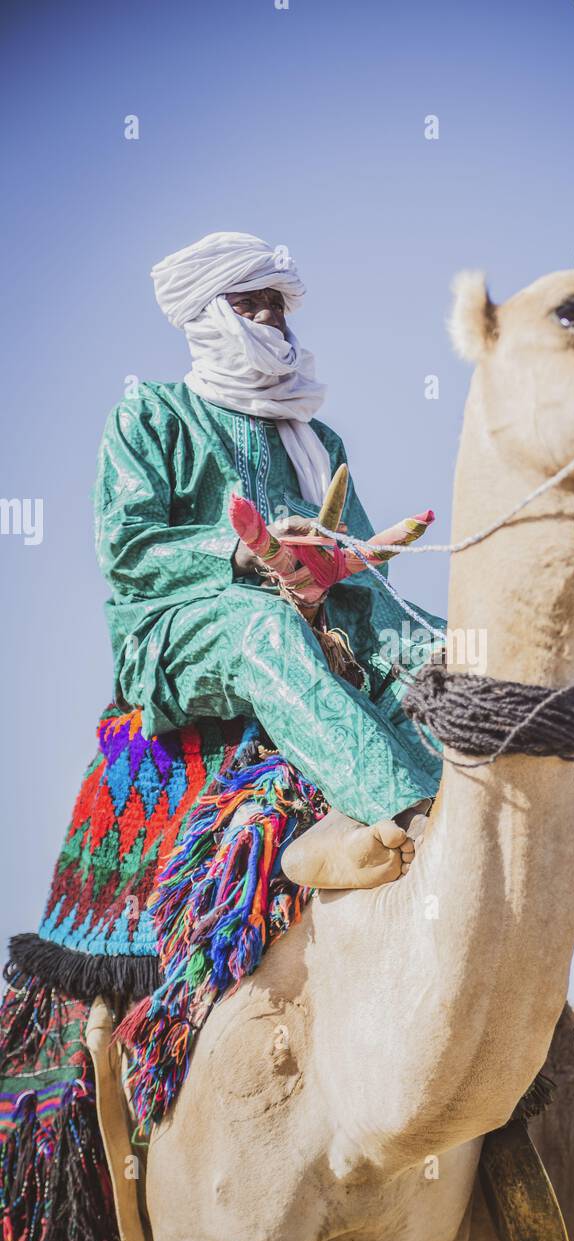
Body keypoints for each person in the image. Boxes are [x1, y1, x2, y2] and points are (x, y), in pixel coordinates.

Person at [96, 231, 443, 890]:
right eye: (249, 306)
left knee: (435, 644)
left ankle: (490, 803)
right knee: (266, 630)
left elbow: (367, 572)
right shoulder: (150, 415)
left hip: (321, 619)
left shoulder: (318, 439)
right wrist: (247, 554)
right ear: (208, 316)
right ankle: (409, 812)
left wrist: (324, 567)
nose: (270, 321)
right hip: (179, 633)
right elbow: (129, 551)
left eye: (278, 306)